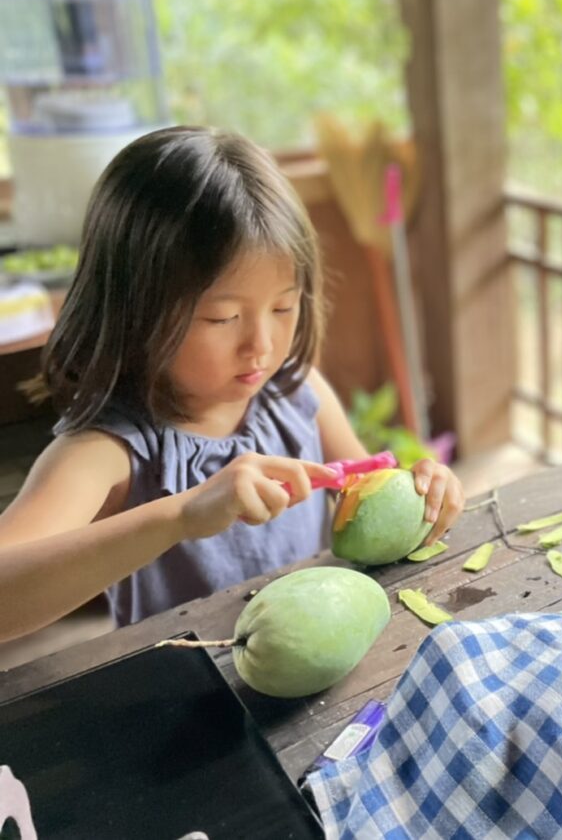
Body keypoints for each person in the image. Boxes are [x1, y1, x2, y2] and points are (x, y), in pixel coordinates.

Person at [0, 126, 464, 643]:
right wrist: (179, 516)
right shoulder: (106, 452)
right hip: (191, 694)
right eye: (222, 318)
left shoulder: (299, 395)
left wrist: (419, 499)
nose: (260, 346)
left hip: (317, 668)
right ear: (134, 311)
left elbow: (361, 496)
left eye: (284, 308)